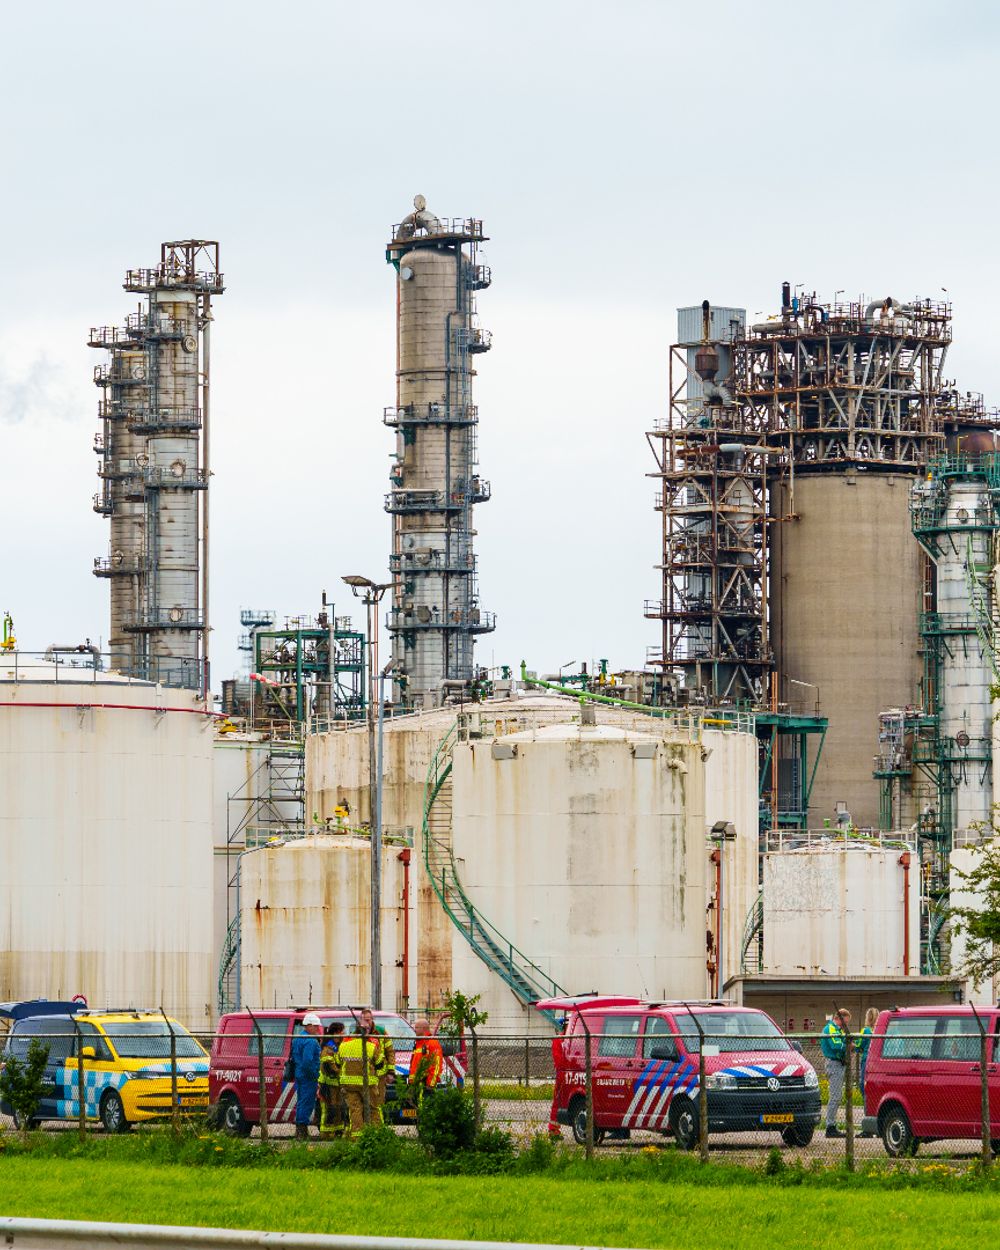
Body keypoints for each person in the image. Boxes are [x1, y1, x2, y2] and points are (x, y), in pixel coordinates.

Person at [336, 1017, 384, 1134]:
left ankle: (357, 1135)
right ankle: (376, 1133)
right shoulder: (371, 1046)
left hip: (349, 1084)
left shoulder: (344, 1045)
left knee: (355, 1110)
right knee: (373, 1109)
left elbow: (337, 1062)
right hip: (368, 1085)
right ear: (365, 1032)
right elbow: (379, 1064)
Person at [290, 1012, 323, 1141]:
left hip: (300, 1074)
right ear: (308, 1026)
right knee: (307, 1103)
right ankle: (302, 1131)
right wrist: (315, 1076)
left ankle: (299, 1130)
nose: (317, 1029)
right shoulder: (310, 1041)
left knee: (301, 1102)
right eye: (315, 1026)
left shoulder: (298, 1039)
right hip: (308, 1076)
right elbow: (308, 1061)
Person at [820, 1008, 852, 1138]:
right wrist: (848, 1045)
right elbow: (836, 1045)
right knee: (835, 1097)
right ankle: (830, 1126)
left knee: (837, 1096)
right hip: (834, 1064)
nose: (846, 1026)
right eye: (845, 1023)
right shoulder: (831, 1028)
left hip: (838, 1063)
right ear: (839, 1018)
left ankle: (831, 1125)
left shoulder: (837, 1029)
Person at [360, 1007, 395, 1115]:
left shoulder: (381, 1031)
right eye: (364, 1020)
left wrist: (390, 1072)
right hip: (363, 1075)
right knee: (363, 1103)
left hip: (380, 1075)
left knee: (378, 1103)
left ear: (372, 1019)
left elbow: (390, 1052)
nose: (367, 1022)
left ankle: (378, 1128)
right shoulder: (357, 1032)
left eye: (368, 1019)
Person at [318, 1021, 347, 1139]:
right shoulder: (328, 1048)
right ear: (336, 1033)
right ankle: (326, 1133)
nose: (344, 1034)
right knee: (329, 1109)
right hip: (328, 1085)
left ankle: (338, 1131)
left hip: (337, 1085)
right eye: (342, 1032)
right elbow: (329, 1066)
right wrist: (341, 1073)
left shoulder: (338, 1046)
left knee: (338, 1108)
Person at [408, 1018, 444, 1100]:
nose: (414, 1030)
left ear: (423, 1028)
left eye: (416, 1027)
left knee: (424, 1108)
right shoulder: (418, 1044)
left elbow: (436, 1065)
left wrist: (430, 1084)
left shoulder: (432, 1043)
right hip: (415, 1085)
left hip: (425, 1085)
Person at [857, 1007, 877, 1138]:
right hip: (875, 1062)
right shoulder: (878, 1031)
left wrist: (851, 1045)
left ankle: (867, 1128)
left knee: (864, 1088)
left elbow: (859, 1045)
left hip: (866, 1061)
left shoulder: (866, 1031)